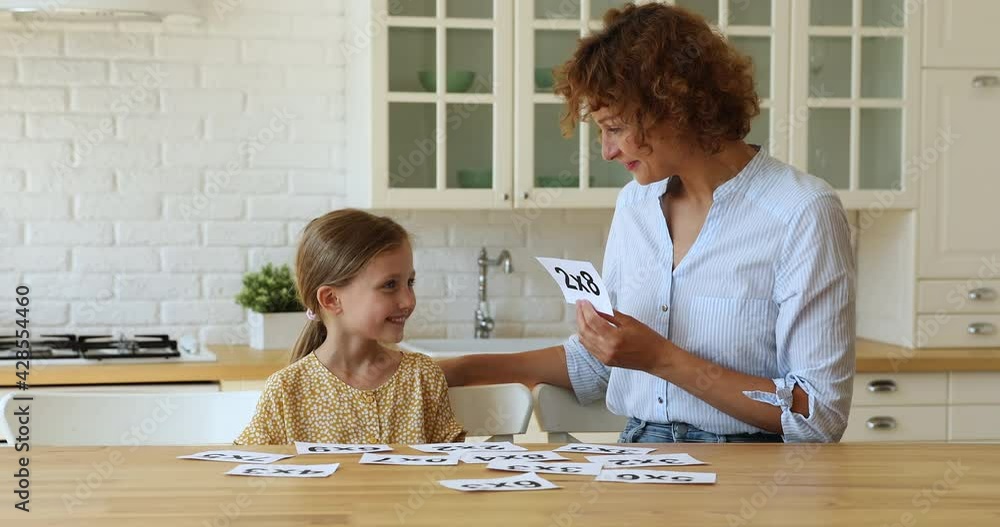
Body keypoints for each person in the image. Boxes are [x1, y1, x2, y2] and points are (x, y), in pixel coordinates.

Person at [440, 3, 855, 443]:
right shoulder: (635, 204)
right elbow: (598, 365)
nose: (607, 151)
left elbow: (818, 414)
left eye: (615, 128)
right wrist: (461, 369)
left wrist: (662, 359)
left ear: (674, 106)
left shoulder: (801, 212)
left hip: (747, 472)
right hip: (637, 456)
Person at [235, 209, 465, 445]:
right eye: (389, 285)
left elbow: (449, 469)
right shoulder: (286, 390)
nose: (409, 301)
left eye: (410, 282)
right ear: (332, 299)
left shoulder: (422, 377)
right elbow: (251, 467)